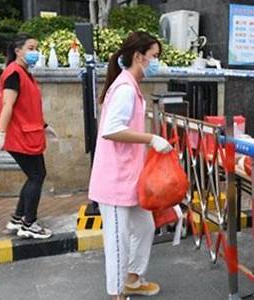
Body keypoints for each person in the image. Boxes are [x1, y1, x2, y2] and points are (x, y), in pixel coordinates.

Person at [88, 31, 172, 300]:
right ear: (138, 56)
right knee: (117, 241)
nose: (156, 62)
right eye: (154, 56)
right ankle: (117, 294)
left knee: (145, 227)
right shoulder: (125, 89)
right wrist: (152, 139)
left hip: (129, 179)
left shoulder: (130, 86)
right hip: (113, 182)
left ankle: (133, 279)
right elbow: (111, 130)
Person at [0, 34, 59, 239]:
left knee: (34, 175)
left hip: (29, 132)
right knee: (37, 175)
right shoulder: (14, 73)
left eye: (36, 48)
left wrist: (44, 125)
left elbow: (26, 105)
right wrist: (1, 133)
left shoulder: (24, 72)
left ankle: (18, 218)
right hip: (20, 135)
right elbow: (8, 105)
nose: (34, 52)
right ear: (18, 51)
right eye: (30, 48)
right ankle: (29, 224)